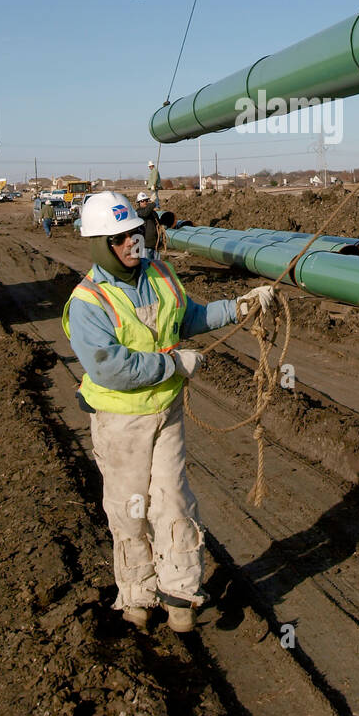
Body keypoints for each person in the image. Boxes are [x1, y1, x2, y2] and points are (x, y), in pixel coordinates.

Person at [62, 191, 274, 633]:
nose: (130, 244)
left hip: (166, 413)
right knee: (129, 510)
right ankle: (137, 593)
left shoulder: (160, 273)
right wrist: (172, 364)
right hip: (121, 423)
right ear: (100, 244)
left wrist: (238, 308)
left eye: (134, 234)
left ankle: (180, 593)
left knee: (173, 501)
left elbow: (189, 317)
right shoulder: (88, 302)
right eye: (119, 239)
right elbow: (111, 367)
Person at [135, 190, 160, 258]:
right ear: (139, 203)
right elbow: (145, 213)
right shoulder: (138, 212)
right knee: (147, 265)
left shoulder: (153, 213)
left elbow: (158, 223)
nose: (145, 202)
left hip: (155, 244)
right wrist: (152, 203)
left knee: (156, 265)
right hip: (145, 245)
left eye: (146, 200)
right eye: (142, 201)